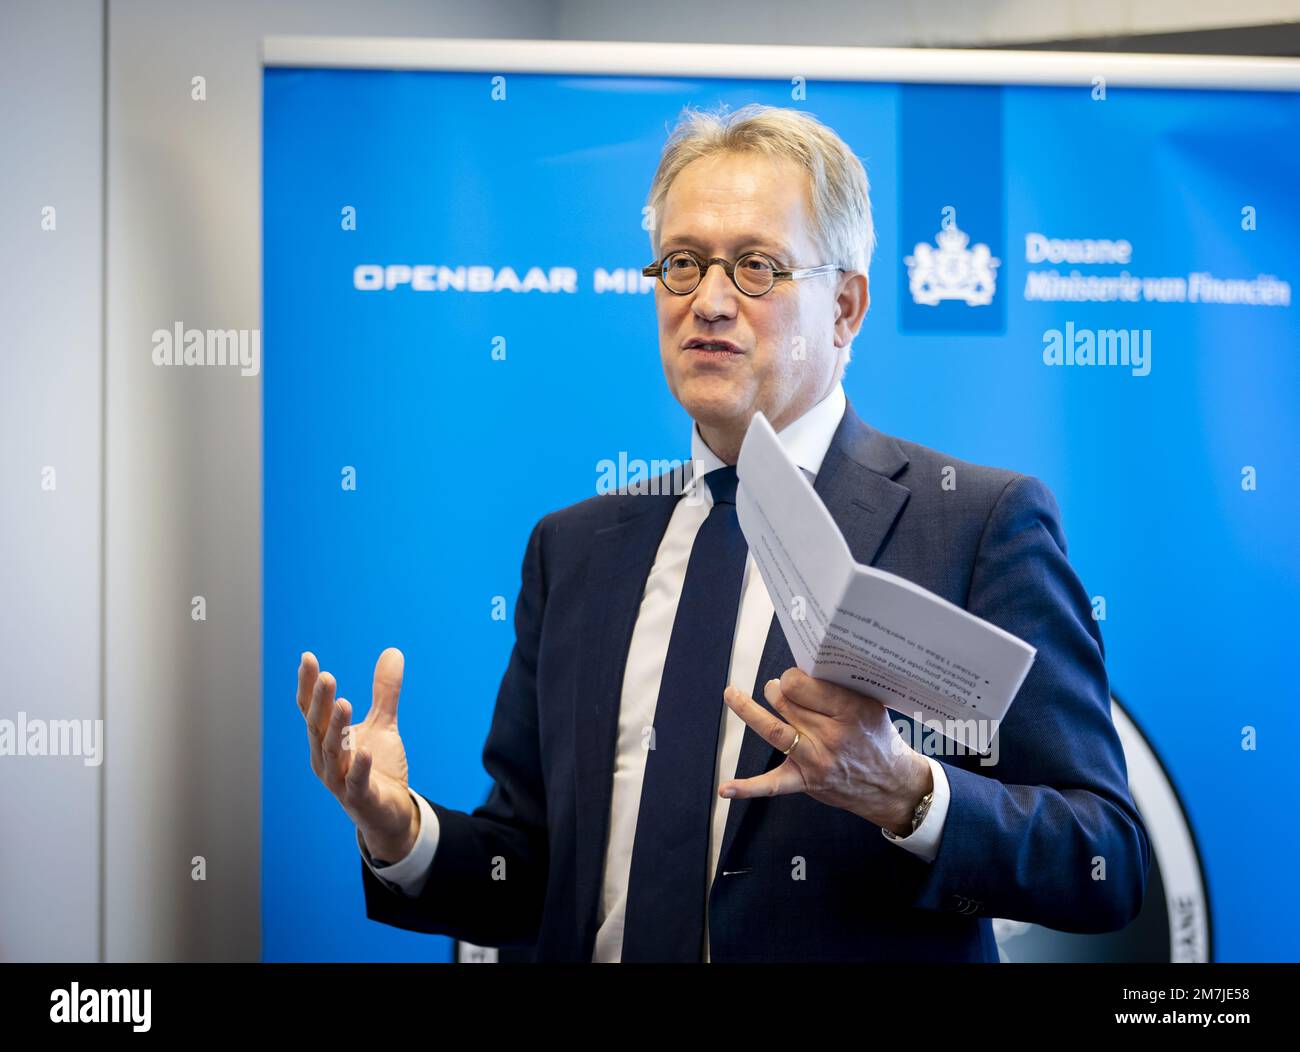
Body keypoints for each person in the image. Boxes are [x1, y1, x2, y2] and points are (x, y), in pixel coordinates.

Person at [296, 103, 1150, 963]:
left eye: (754, 267)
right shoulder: (575, 550)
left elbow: (1103, 860)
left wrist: (908, 794)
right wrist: (402, 831)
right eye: (681, 264)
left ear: (846, 307)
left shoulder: (973, 523)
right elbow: (529, 873)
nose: (707, 302)